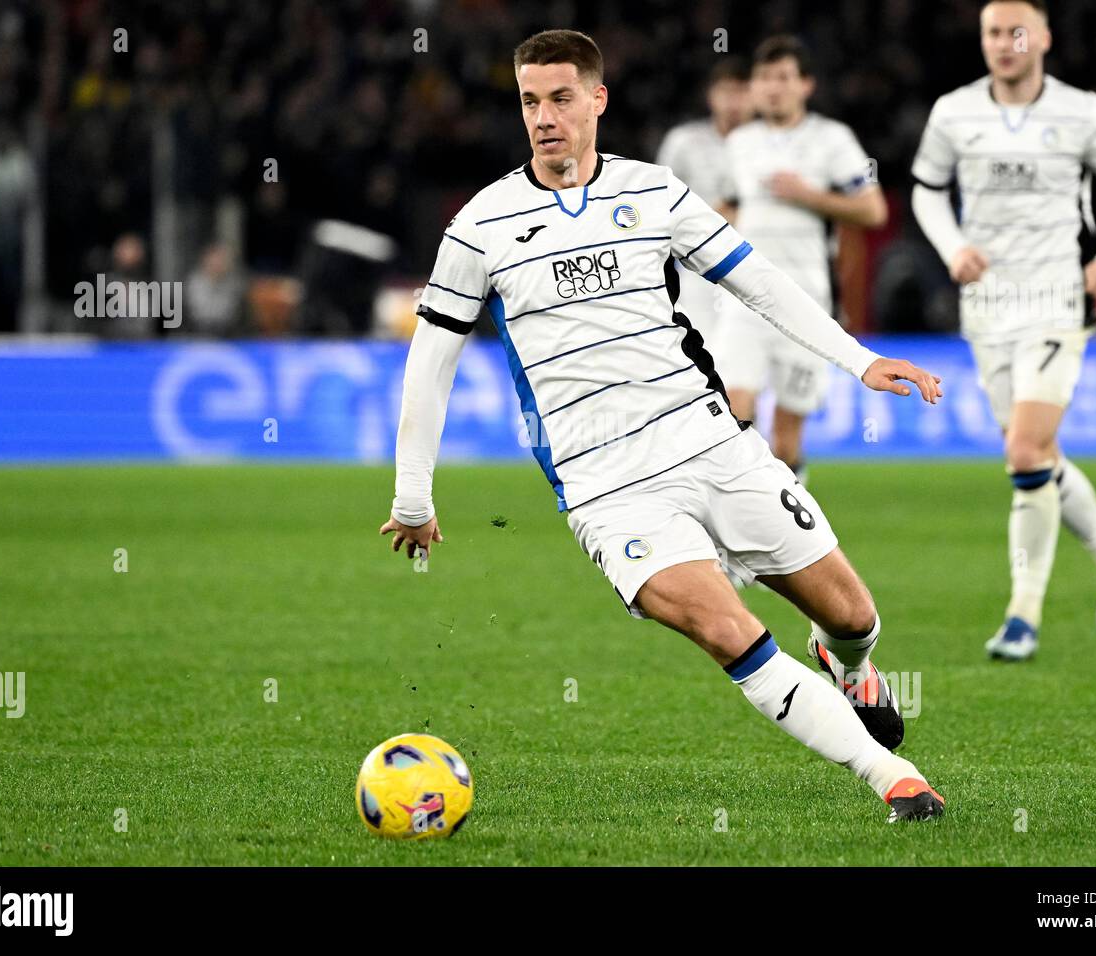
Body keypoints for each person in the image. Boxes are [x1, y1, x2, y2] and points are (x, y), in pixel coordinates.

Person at [382, 30, 946, 821]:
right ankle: (894, 776)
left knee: (853, 615)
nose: (544, 118)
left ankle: (847, 662)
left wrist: (857, 360)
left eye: (560, 98)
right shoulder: (482, 225)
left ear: (597, 98)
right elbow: (430, 360)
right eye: (529, 102)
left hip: (711, 441)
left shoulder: (656, 193)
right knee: (728, 629)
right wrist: (414, 493)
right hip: (608, 487)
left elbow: (760, 283)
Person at [910, 0, 1096, 661]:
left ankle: (1022, 616)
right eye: (993, 32)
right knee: (1036, 455)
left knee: (1022, 453)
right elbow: (926, 190)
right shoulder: (953, 112)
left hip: (1055, 300)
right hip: (987, 307)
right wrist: (953, 246)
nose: (1004, 43)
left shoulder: (1082, 111)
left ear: (1043, 37)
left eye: (1017, 31)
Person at [711, 36, 888, 483]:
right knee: (734, 418)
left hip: (806, 301)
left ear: (805, 85)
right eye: (765, 78)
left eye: (784, 78)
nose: (773, 88)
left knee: (787, 440)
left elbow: (873, 210)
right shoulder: (740, 142)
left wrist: (807, 194)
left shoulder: (832, 140)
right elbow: (731, 206)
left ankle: (791, 538)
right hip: (742, 301)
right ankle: (739, 536)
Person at [655, 57, 752, 341]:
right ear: (711, 96)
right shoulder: (683, 142)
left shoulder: (770, 145)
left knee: (749, 356)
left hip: (754, 259)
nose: (733, 102)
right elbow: (658, 205)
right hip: (697, 265)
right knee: (702, 349)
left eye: (741, 92)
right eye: (726, 92)